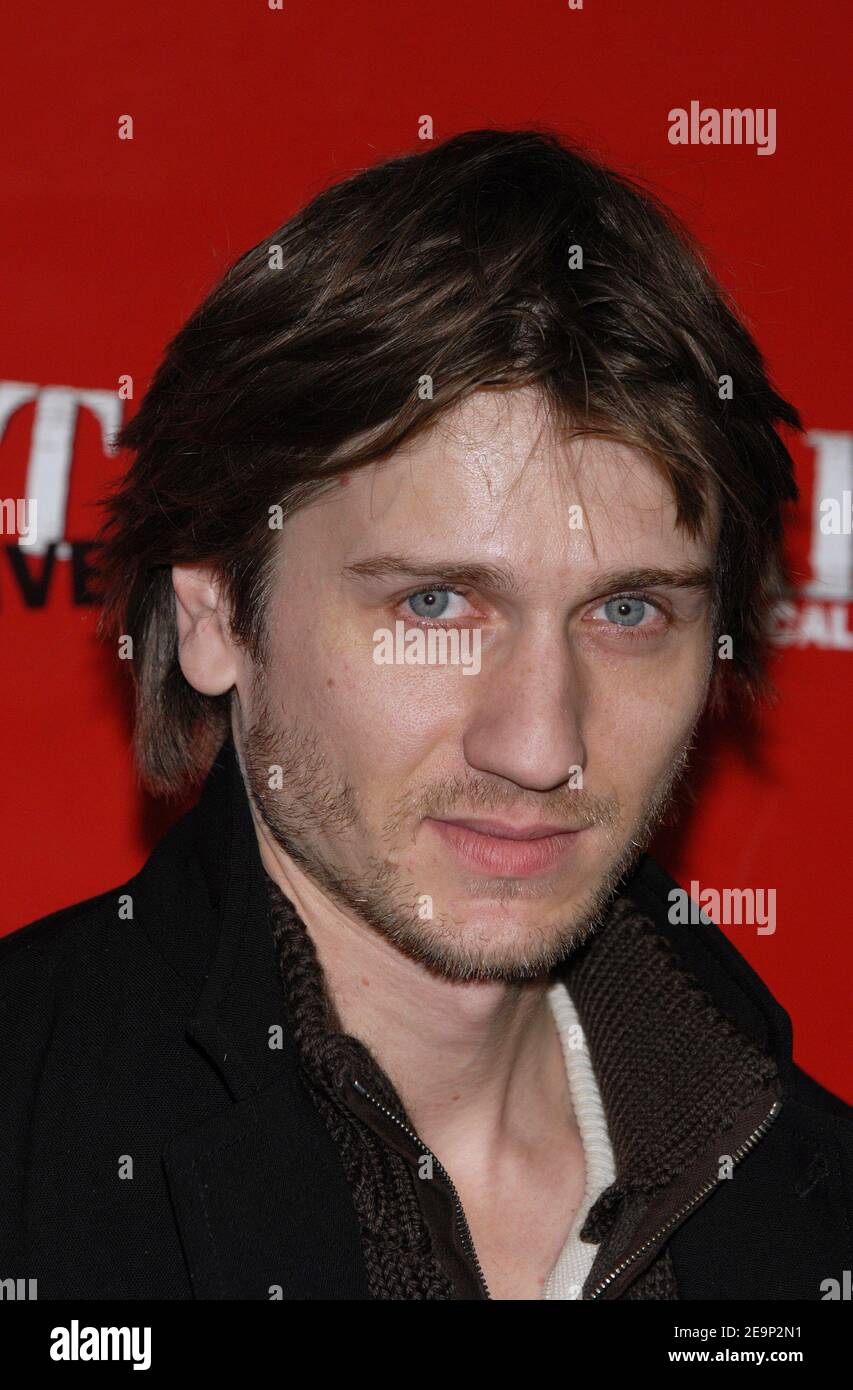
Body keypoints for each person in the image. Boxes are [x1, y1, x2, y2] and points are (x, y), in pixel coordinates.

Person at [2, 128, 850, 1301]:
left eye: (628, 612)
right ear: (213, 614)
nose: (540, 743)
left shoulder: (809, 1201)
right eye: (437, 602)